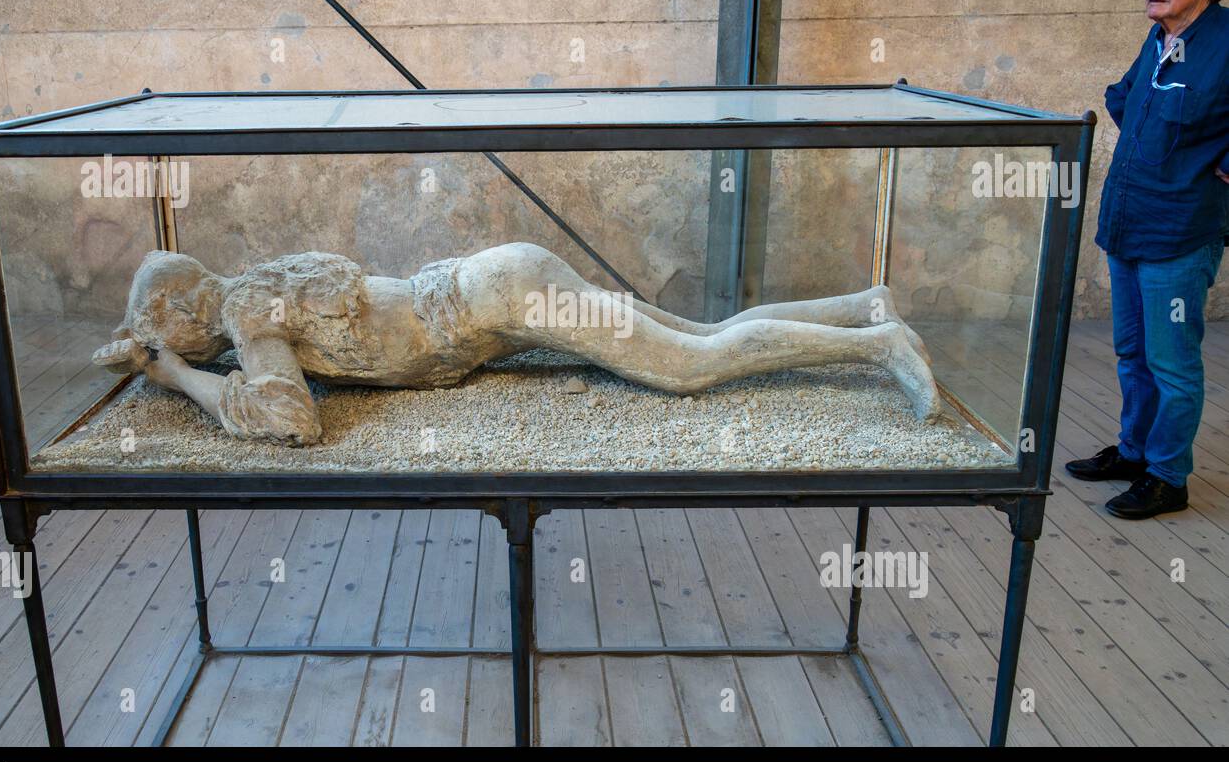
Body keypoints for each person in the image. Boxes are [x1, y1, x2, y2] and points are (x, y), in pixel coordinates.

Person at [92, 243, 940, 446]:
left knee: (685, 368)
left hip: (496, 299)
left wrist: (174, 381)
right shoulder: (255, 289)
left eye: (159, 332)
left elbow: (291, 420)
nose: (169, 347)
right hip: (495, 286)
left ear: (178, 313)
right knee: (698, 336)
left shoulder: (249, 318)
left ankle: (879, 345)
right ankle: (859, 307)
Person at [1066, 0, 1229, 519]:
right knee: (1132, 352)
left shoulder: (1227, 40)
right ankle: (1135, 451)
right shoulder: (1159, 37)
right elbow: (1126, 96)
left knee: (1172, 361)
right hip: (1129, 221)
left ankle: (1167, 476)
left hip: (1181, 232)